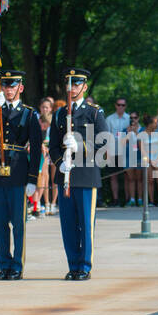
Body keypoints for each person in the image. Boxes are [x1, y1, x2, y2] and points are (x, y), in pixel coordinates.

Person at [0, 69, 43, 279]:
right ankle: (4, 265)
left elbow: (36, 148)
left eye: (12, 86)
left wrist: (32, 178)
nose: (8, 89)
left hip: (18, 171)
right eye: (5, 86)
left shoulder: (29, 114)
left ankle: (17, 265)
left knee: (18, 223)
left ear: (21, 88)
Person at [50, 68, 106, 280]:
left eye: (77, 84)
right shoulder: (59, 114)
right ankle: (73, 265)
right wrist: (59, 163)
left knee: (85, 223)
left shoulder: (93, 112)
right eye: (70, 84)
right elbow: (54, 145)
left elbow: (103, 140)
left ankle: (84, 266)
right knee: (68, 225)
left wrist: (81, 145)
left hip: (85, 174)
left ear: (84, 87)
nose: (72, 88)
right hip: (66, 176)